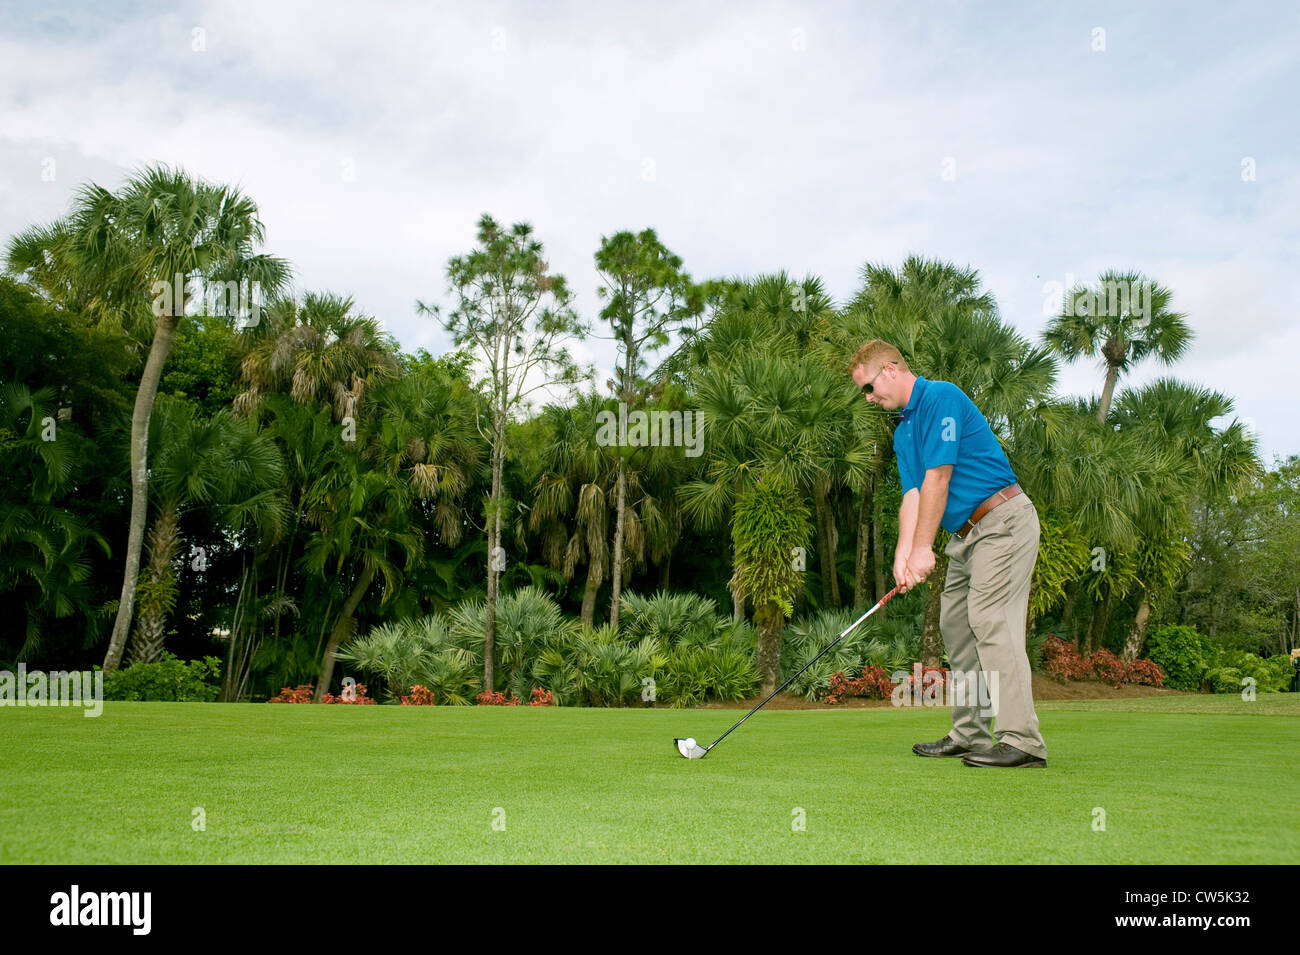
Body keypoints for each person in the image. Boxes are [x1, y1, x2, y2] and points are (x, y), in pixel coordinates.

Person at [849, 340, 1047, 768]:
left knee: (991, 620)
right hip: (966, 535)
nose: (868, 398)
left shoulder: (942, 397)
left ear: (889, 368)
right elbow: (913, 495)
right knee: (955, 627)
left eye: (868, 387)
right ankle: (971, 733)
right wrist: (904, 555)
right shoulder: (903, 431)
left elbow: (940, 477)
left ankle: (1023, 740)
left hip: (1003, 520)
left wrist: (923, 548)